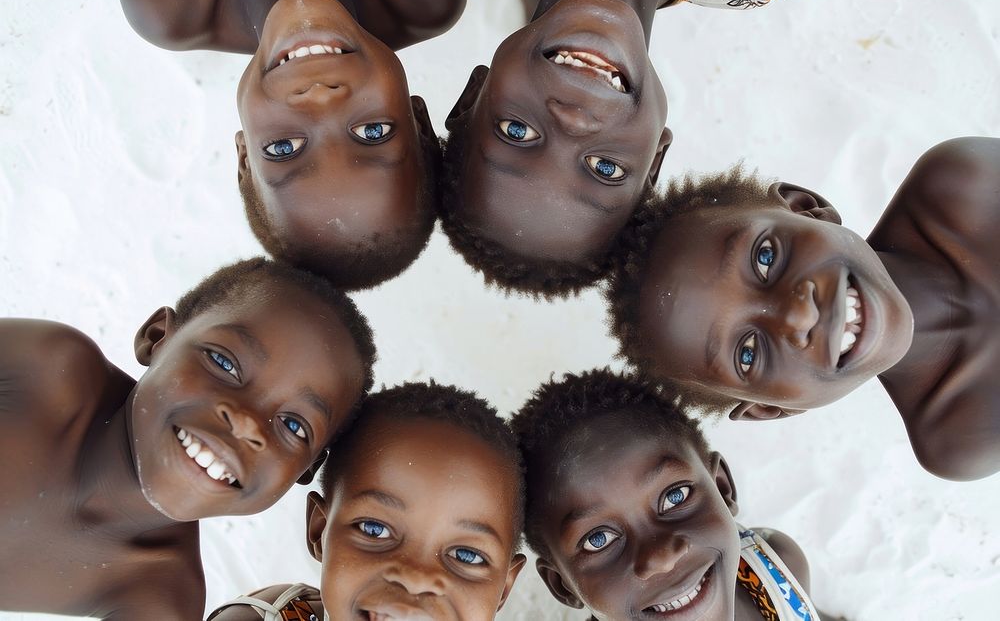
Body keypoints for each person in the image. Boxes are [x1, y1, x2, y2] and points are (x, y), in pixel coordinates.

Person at [441, 0, 837, 297]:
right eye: (605, 168)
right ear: (654, 159)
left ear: (472, 96)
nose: (575, 120)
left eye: (516, 132)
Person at [0, 258, 375, 619]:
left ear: (306, 470)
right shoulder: (42, 372)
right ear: (157, 338)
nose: (246, 423)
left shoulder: (161, 595)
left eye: (294, 426)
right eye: (224, 363)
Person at [607, 137, 1000, 481]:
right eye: (748, 353)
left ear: (806, 207)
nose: (798, 317)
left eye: (765, 257)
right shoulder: (957, 439)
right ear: (772, 408)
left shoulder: (967, 184)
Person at [112, 0, 467, 289]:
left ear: (244, 157)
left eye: (284, 148)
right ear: (418, 120)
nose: (321, 98)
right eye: (372, 132)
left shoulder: (168, 1)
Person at [511, 368, 830, 620]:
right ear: (564, 586)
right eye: (599, 539)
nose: (661, 558)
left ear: (722, 487)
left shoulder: (778, 568)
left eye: (675, 496)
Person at [208, 382, 527, 620]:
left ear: (504, 587)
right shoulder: (273, 616)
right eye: (375, 529)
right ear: (319, 530)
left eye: (467, 556)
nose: (415, 578)